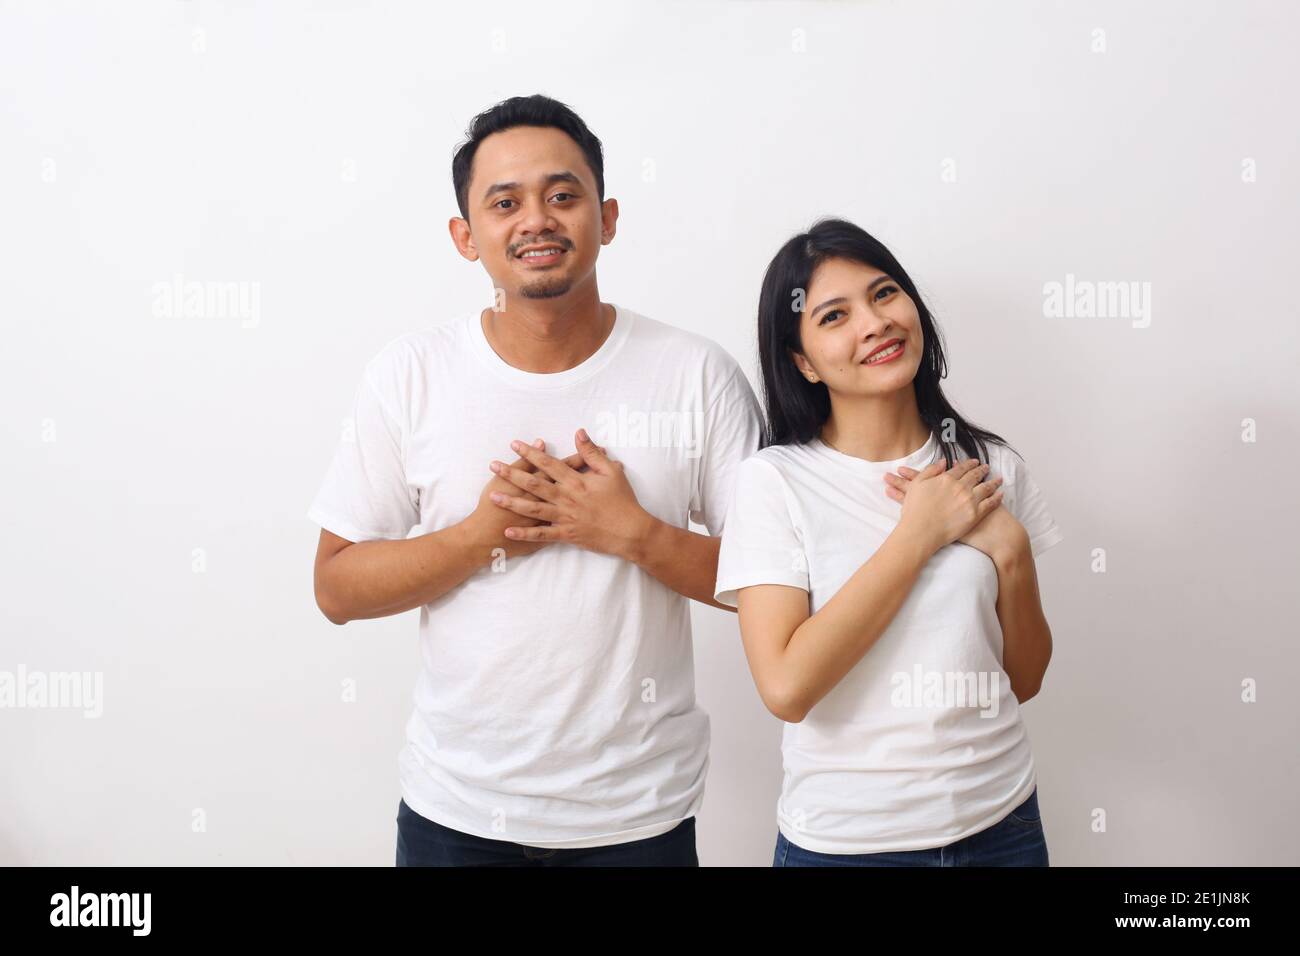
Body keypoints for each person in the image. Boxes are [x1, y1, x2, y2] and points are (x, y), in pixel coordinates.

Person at [307, 94, 762, 866]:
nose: (537, 220)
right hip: (455, 815)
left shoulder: (695, 373)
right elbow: (337, 588)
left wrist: (633, 534)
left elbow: (770, 584)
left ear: (607, 217)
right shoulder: (410, 375)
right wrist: (478, 539)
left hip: (638, 822)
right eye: (505, 202)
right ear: (466, 236)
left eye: (562, 195)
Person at [714, 218, 1064, 866]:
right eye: (834, 316)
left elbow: (1024, 678)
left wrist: (1010, 553)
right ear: (802, 361)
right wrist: (918, 535)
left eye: (883, 294)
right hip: (849, 845)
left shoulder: (991, 466)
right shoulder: (775, 482)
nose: (873, 324)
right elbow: (787, 687)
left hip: (1004, 828)